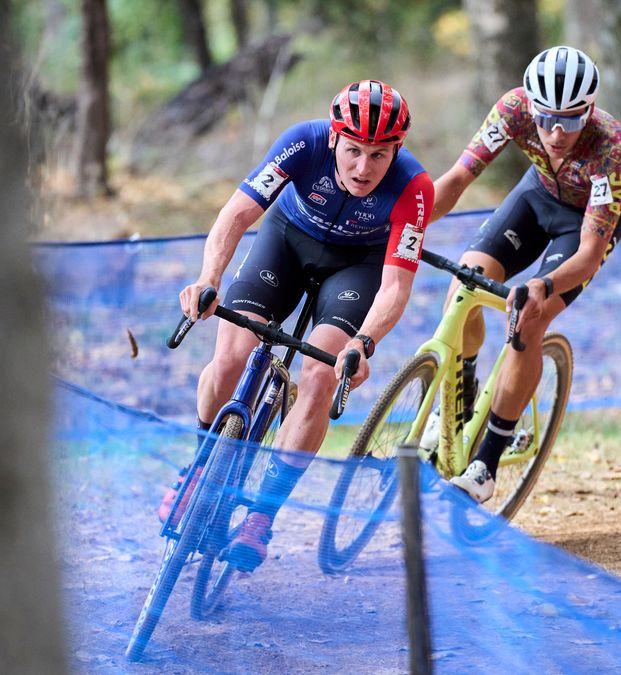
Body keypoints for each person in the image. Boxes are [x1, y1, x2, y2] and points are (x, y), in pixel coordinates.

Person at [161, 80, 433, 571]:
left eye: (378, 155)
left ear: (397, 148)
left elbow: (394, 285)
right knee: (229, 359)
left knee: (319, 374)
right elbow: (238, 213)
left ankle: (261, 517)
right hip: (286, 242)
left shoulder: (414, 188)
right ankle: (197, 471)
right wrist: (208, 279)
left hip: (357, 267)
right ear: (334, 140)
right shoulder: (302, 141)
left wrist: (363, 343)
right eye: (353, 151)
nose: (363, 168)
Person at [428, 45, 621, 503]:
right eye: (545, 119)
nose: (556, 132)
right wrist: (411, 223)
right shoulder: (513, 109)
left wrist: (542, 284)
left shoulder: (612, 148)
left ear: (591, 110)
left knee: (529, 316)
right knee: (466, 276)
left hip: (584, 224)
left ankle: (486, 463)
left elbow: (587, 253)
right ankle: (461, 397)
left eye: (570, 120)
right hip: (536, 195)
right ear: (530, 106)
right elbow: (458, 178)